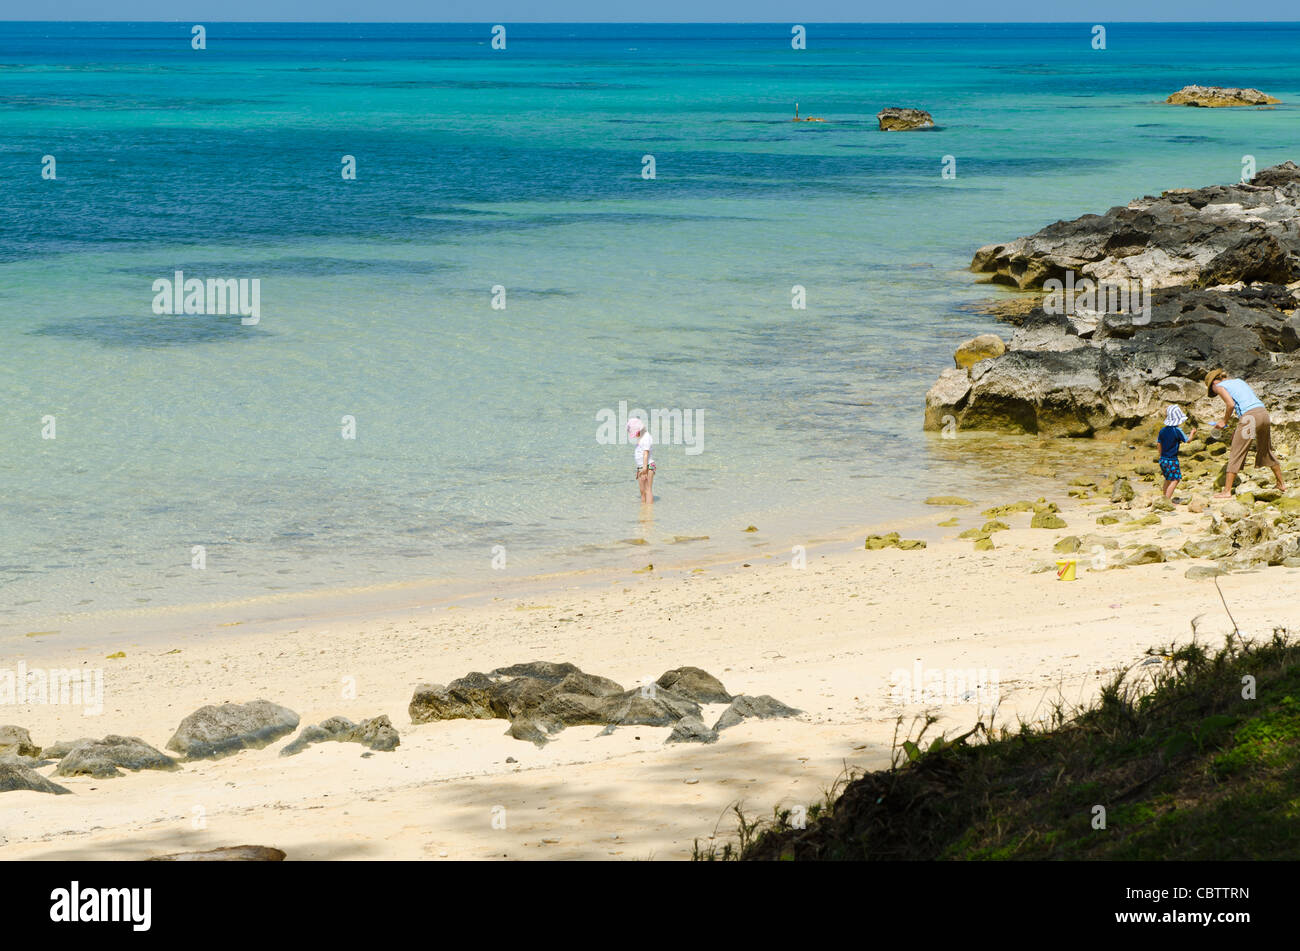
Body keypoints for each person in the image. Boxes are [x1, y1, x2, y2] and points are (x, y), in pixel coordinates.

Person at [1204, 369, 1286, 498]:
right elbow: (1247, 404)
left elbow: (1230, 405)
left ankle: (1226, 491)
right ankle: (1281, 484)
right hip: (1263, 414)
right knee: (1266, 450)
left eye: (1211, 389)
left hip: (1250, 418)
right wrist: (1238, 430)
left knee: (1236, 452)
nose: (1214, 391)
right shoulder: (1238, 381)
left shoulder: (1219, 386)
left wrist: (1223, 421)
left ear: (1214, 382)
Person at [1157, 405, 1195, 501]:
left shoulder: (1162, 430)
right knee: (1175, 480)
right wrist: (1192, 433)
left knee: (1167, 479)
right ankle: (1167, 500)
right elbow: (1188, 441)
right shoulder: (1177, 431)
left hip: (1163, 459)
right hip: (1172, 460)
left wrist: (1160, 456)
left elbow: (1158, 443)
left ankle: (1164, 498)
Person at [628, 417, 655, 504]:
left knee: (648, 489)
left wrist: (644, 469)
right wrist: (639, 468)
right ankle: (643, 510)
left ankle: (649, 510)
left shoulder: (646, 437)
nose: (634, 435)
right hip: (642, 467)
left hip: (648, 466)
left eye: (634, 433)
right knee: (642, 491)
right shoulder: (641, 437)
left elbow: (645, 454)